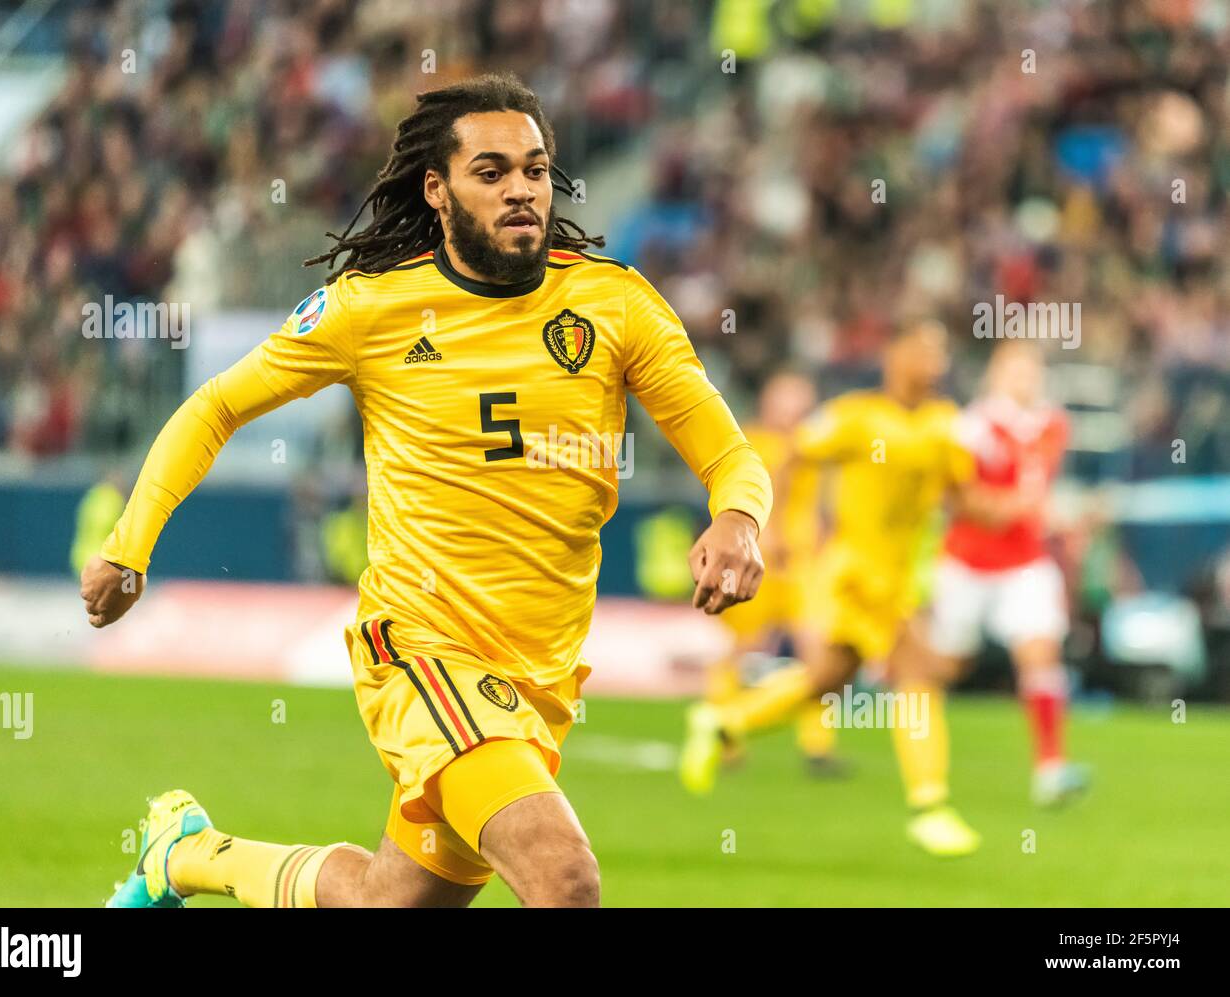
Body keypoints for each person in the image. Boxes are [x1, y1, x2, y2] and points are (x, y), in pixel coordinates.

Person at [82, 74, 770, 908]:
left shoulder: (614, 305)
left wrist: (739, 517)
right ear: (437, 190)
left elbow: (727, 450)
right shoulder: (374, 309)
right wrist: (130, 543)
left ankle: (192, 855)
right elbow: (216, 406)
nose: (521, 188)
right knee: (565, 878)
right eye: (492, 171)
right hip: (421, 648)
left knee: (387, 900)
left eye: (536, 168)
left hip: (538, 677)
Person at [681, 320, 985, 857]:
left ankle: (725, 719)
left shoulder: (946, 424)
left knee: (827, 680)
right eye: (925, 349)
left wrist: (1016, 515)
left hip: (901, 579)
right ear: (896, 356)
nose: (937, 361)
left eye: (942, 351)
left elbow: (963, 499)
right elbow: (794, 454)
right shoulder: (856, 417)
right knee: (916, 673)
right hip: (850, 573)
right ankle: (929, 805)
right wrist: (769, 527)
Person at [930, 340, 1089, 807]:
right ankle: (897, 713)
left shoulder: (1054, 425)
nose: (1024, 377)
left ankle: (1050, 769)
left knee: (1040, 652)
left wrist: (1066, 520)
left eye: (1030, 369)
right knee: (948, 666)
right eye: (1014, 368)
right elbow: (958, 500)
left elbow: (1040, 500)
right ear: (994, 375)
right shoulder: (970, 427)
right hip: (967, 563)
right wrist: (1010, 508)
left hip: (1024, 564)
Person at [702, 370, 844, 775]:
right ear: (768, 401)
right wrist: (773, 533)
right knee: (745, 646)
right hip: (759, 556)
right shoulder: (747, 442)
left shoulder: (812, 446)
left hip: (804, 562)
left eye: (803, 398)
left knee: (818, 651)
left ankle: (817, 747)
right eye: (789, 397)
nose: (798, 408)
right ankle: (723, 732)